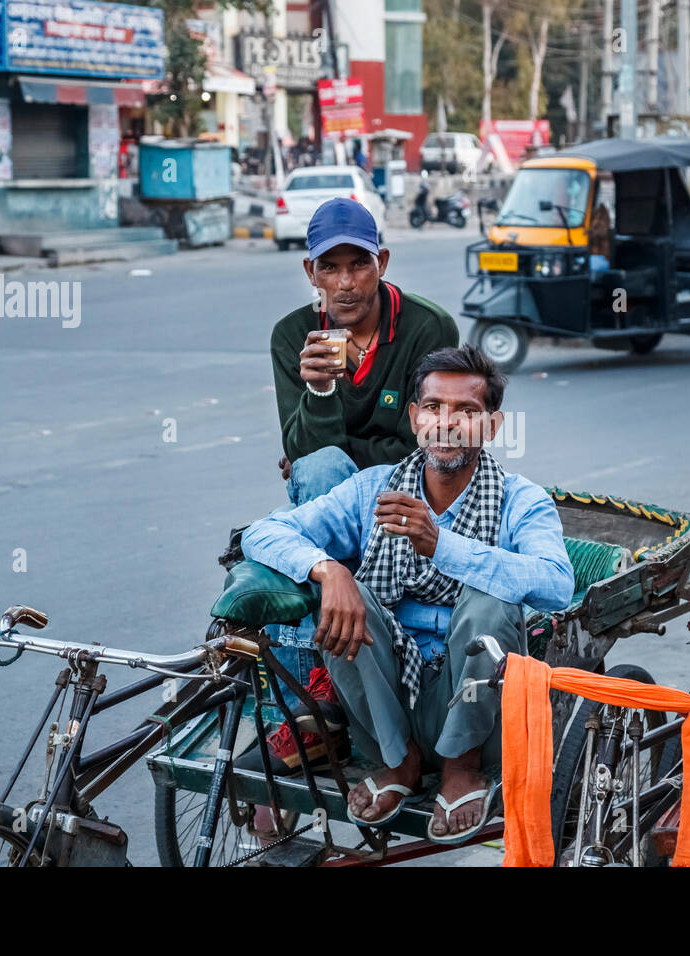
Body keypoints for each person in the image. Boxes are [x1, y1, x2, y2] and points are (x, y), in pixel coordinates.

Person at [242, 345, 574, 842]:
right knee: (341, 596)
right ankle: (399, 761)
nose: (447, 423)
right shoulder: (371, 490)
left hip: (476, 698)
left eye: (466, 411)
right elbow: (263, 534)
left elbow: (555, 584)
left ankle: (461, 767)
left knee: (490, 600)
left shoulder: (520, 500)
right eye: (435, 408)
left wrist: (443, 546)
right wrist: (329, 571)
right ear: (416, 418)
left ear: (492, 426)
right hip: (386, 698)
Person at [266, 197, 458, 756]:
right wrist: (321, 392)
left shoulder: (427, 326)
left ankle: (333, 680)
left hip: (406, 494)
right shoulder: (293, 336)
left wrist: (350, 445)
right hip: (334, 495)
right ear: (311, 273)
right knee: (323, 468)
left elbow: (426, 443)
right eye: (330, 267)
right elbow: (302, 450)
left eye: (359, 265)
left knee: (336, 468)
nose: (345, 283)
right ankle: (335, 653)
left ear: (383, 263)